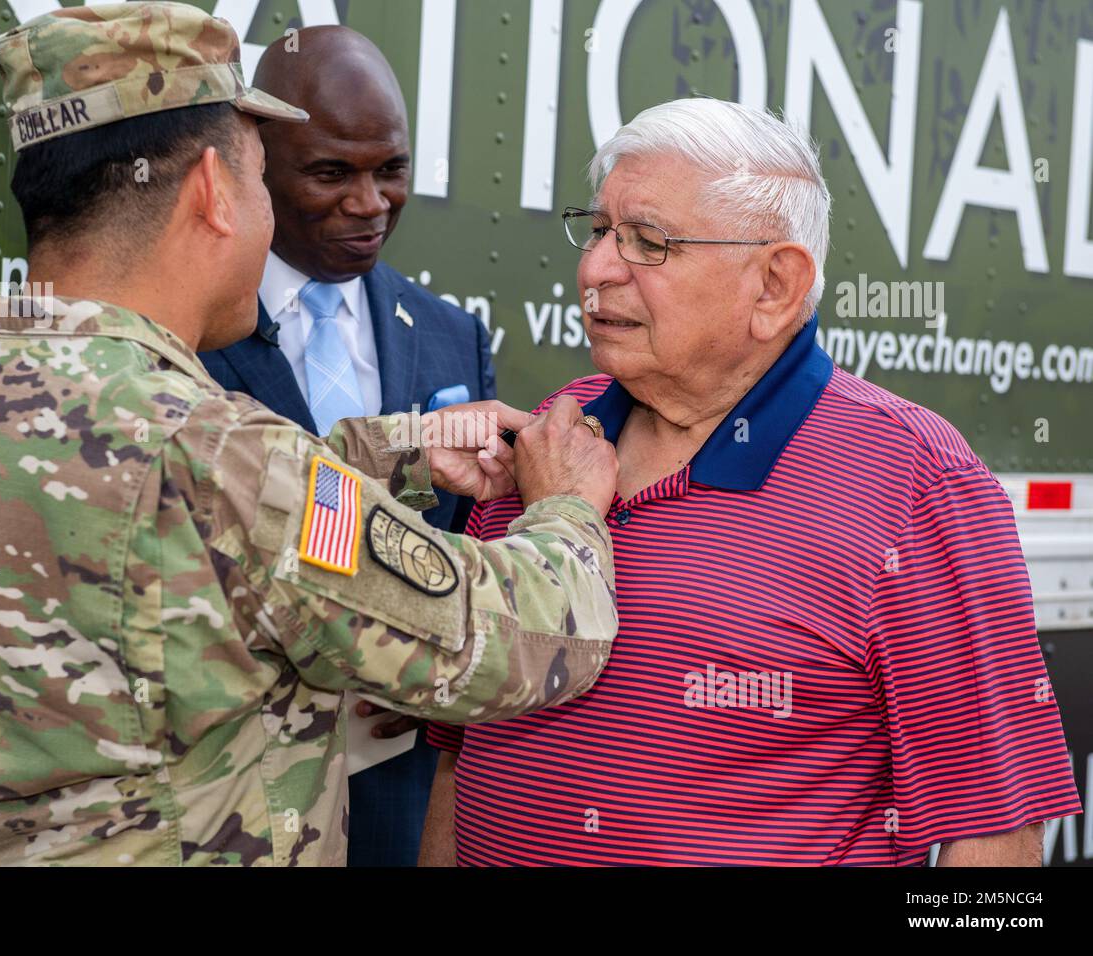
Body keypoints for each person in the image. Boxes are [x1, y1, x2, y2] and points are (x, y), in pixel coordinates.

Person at [0, 1, 621, 867]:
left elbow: (175, 539)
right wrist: (569, 511)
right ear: (213, 190)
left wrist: (394, 452)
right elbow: (525, 642)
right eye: (258, 180)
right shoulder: (213, 453)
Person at [421, 98, 1082, 866]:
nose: (596, 270)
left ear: (774, 285)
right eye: (599, 230)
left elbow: (994, 829)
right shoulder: (549, 443)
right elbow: (461, 756)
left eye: (648, 242)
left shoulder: (917, 481)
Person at [197, 25, 494, 867]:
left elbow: (477, 543)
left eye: (389, 170)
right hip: (234, 810)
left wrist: (435, 681)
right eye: (331, 172)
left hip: (399, 804)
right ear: (253, 163)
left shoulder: (452, 337)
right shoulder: (180, 328)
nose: (369, 203)